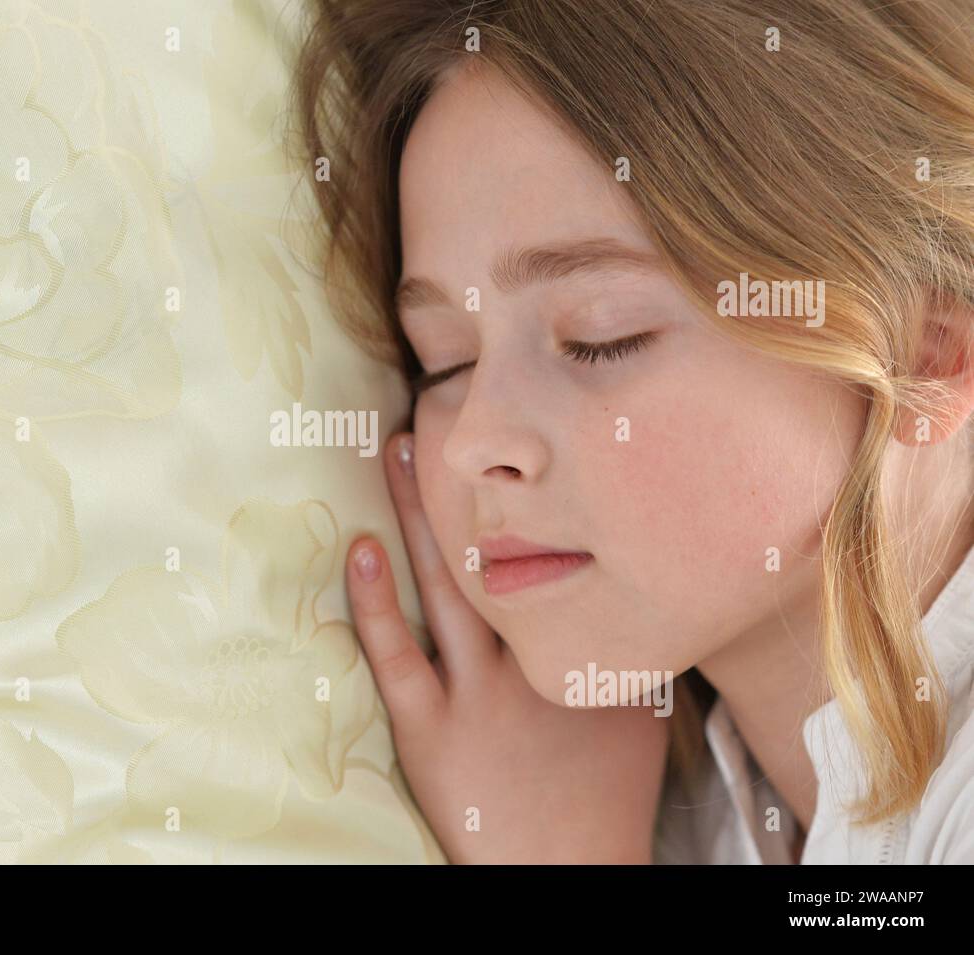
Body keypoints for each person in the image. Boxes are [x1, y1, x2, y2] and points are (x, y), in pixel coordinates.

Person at [292, 0, 974, 863]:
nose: (470, 441)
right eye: (443, 362)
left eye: (601, 335)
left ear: (923, 358)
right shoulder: (695, 799)